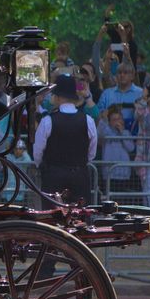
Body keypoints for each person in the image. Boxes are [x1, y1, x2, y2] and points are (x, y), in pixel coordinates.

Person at [33, 75, 97, 204]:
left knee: (52, 218)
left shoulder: (48, 121)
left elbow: (38, 152)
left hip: (53, 176)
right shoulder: (88, 120)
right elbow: (91, 153)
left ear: (57, 97)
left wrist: (44, 167)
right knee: (80, 217)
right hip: (79, 176)